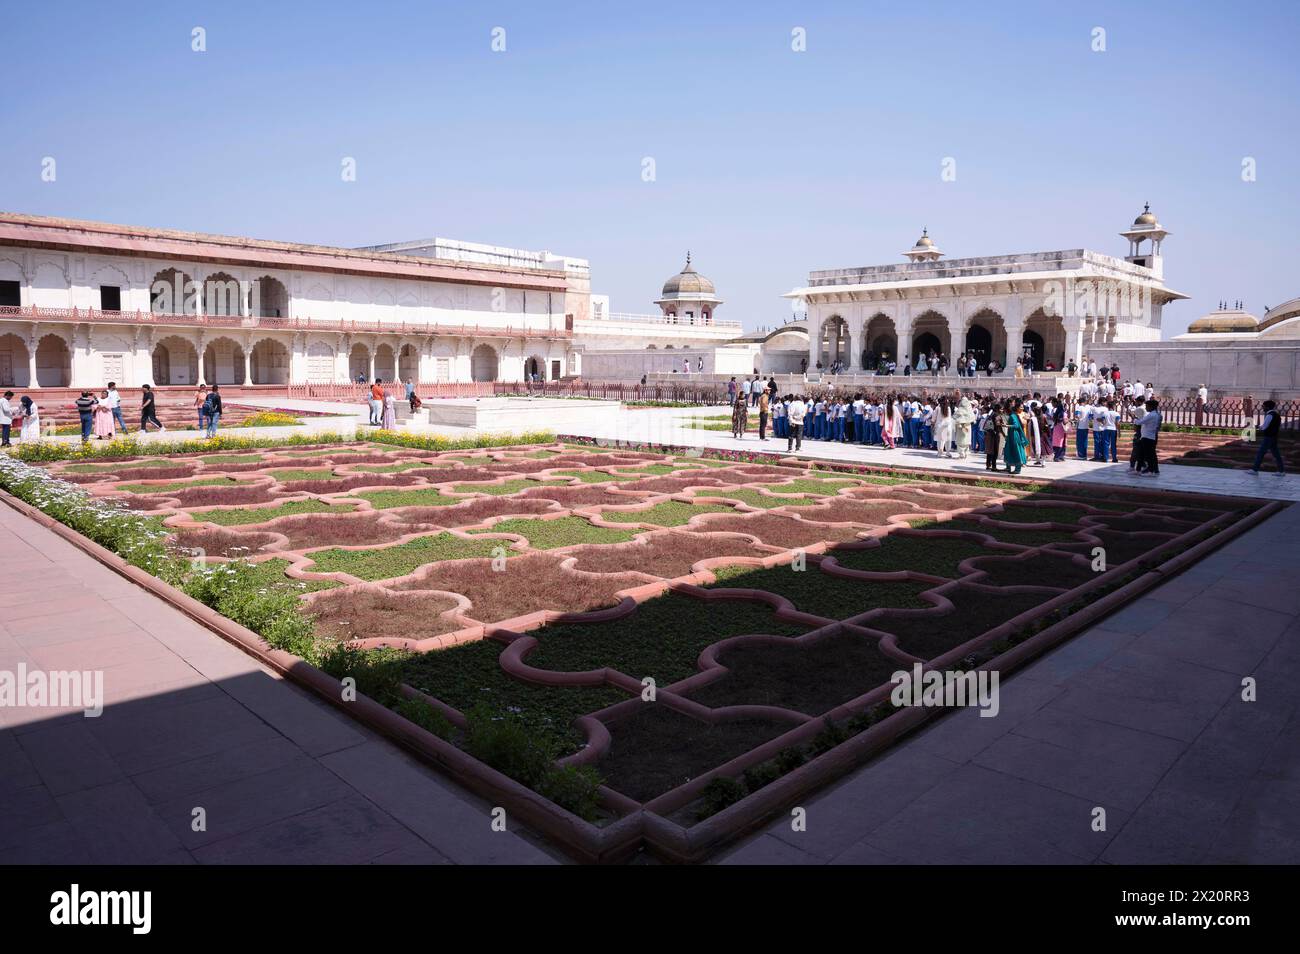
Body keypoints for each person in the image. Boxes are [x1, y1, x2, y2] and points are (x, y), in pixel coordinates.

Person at [1248, 400, 1285, 476]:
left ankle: (1255, 470)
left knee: (1260, 453)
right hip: (1274, 436)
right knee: (1276, 454)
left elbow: (1264, 427)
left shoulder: (1269, 415)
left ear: (1267, 407)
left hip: (1268, 437)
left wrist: (1257, 426)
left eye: (1263, 406)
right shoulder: (1277, 415)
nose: (1262, 408)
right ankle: (1281, 471)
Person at [1131, 399, 1162, 476]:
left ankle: (1151, 471)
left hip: (1148, 437)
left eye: (1147, 406)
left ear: (1152, 407)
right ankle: (1138, 470)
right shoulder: (1155, 414)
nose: (1146, 408)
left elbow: (1140, 422)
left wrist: (1134, 418)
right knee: (1141, 454)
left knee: (1149, 455)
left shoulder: (1152, 415)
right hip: (1146, 436)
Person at [1002, 401, 1028, 475]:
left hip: (1014, 435)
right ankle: (1008, 467)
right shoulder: (1015, 415)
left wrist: (1007, 426)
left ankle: (1017, 469)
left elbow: (1016, 426)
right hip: (1011, 435)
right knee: (1008, 450)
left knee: (1016, 450)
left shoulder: (1013, 416)